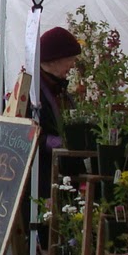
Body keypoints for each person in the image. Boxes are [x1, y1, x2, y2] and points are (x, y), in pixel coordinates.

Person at [33, 26, 82, 174]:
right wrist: (54, 142)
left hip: (61, 169)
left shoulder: (57, 87)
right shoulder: (33, 90)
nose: (73, 65)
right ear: (55, 60)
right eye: (70, 59)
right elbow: (23, 133)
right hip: (42, 172)